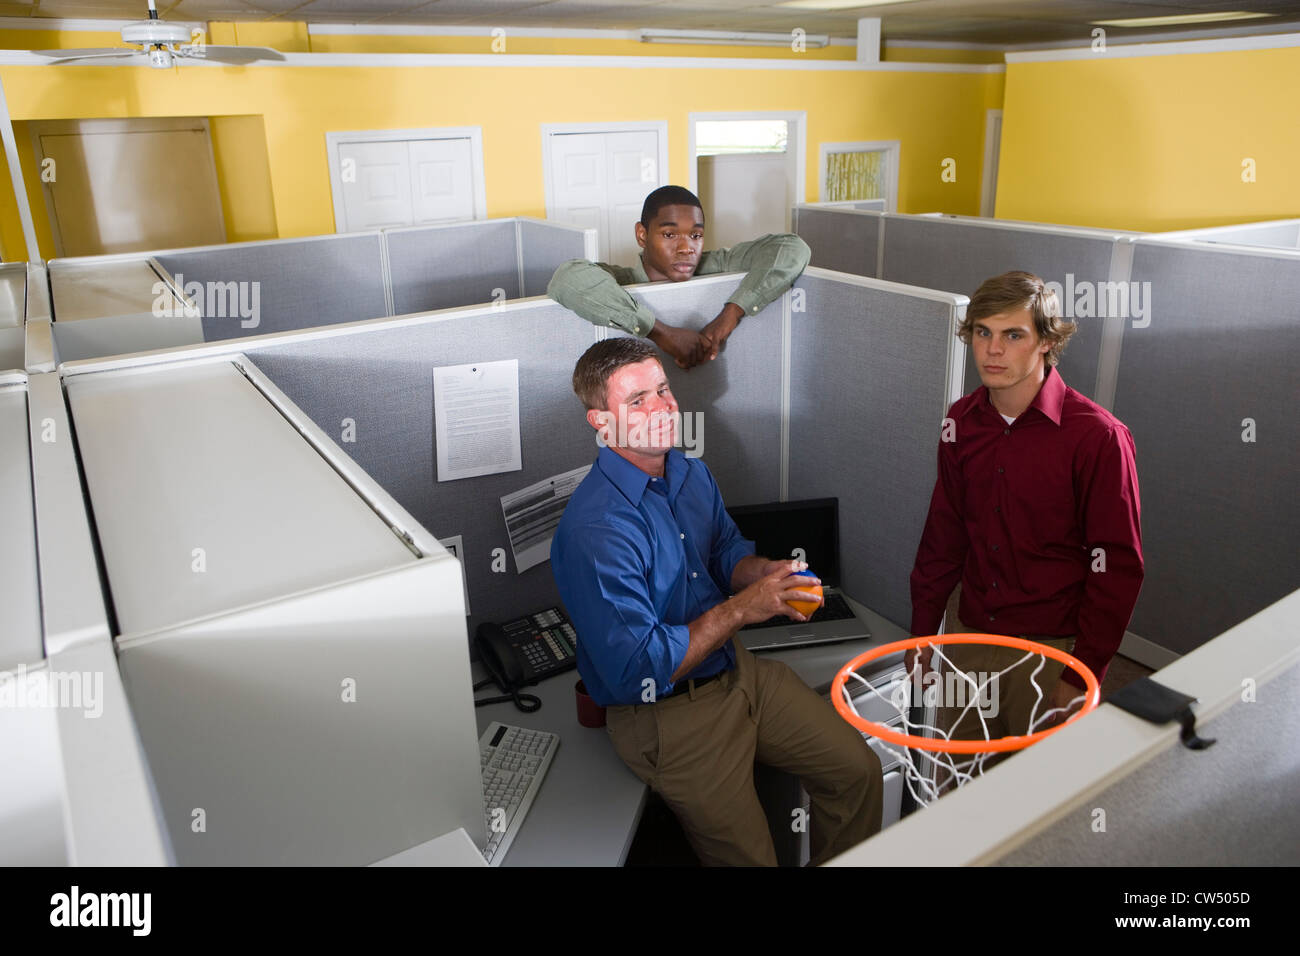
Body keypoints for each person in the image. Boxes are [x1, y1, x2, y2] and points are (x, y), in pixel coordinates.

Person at [551, 337, 881, 866]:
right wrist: (746, 607)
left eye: (663, 390)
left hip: (738, 672)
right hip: (667, 715)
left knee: (857, 774)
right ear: (601, 422)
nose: (662, 408)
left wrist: (762, 573)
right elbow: (641, 668)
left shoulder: (689, 473)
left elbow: (724, 550)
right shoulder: (597, 529)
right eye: (637, 401)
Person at [908, 271, 1144, 755]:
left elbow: (1116, 567)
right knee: (965, 780)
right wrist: (923, 633)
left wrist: (1082, 674)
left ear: (1046, 342)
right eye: (983, 332)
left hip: (1050, 651)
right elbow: (944, 536)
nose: (992, 350)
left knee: (1040, 791)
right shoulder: (960, 422)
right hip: (970, 638)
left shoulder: (1098, 437)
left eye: (1013, 335)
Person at [546, 185, 811, 370]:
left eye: (696, 235)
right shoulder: (620, 281)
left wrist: (730, 315)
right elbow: (567, 278)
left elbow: (792, 248)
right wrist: (661, 333)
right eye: (669, 235)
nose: (687, 248)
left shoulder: (715, 266)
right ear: (642, 235)